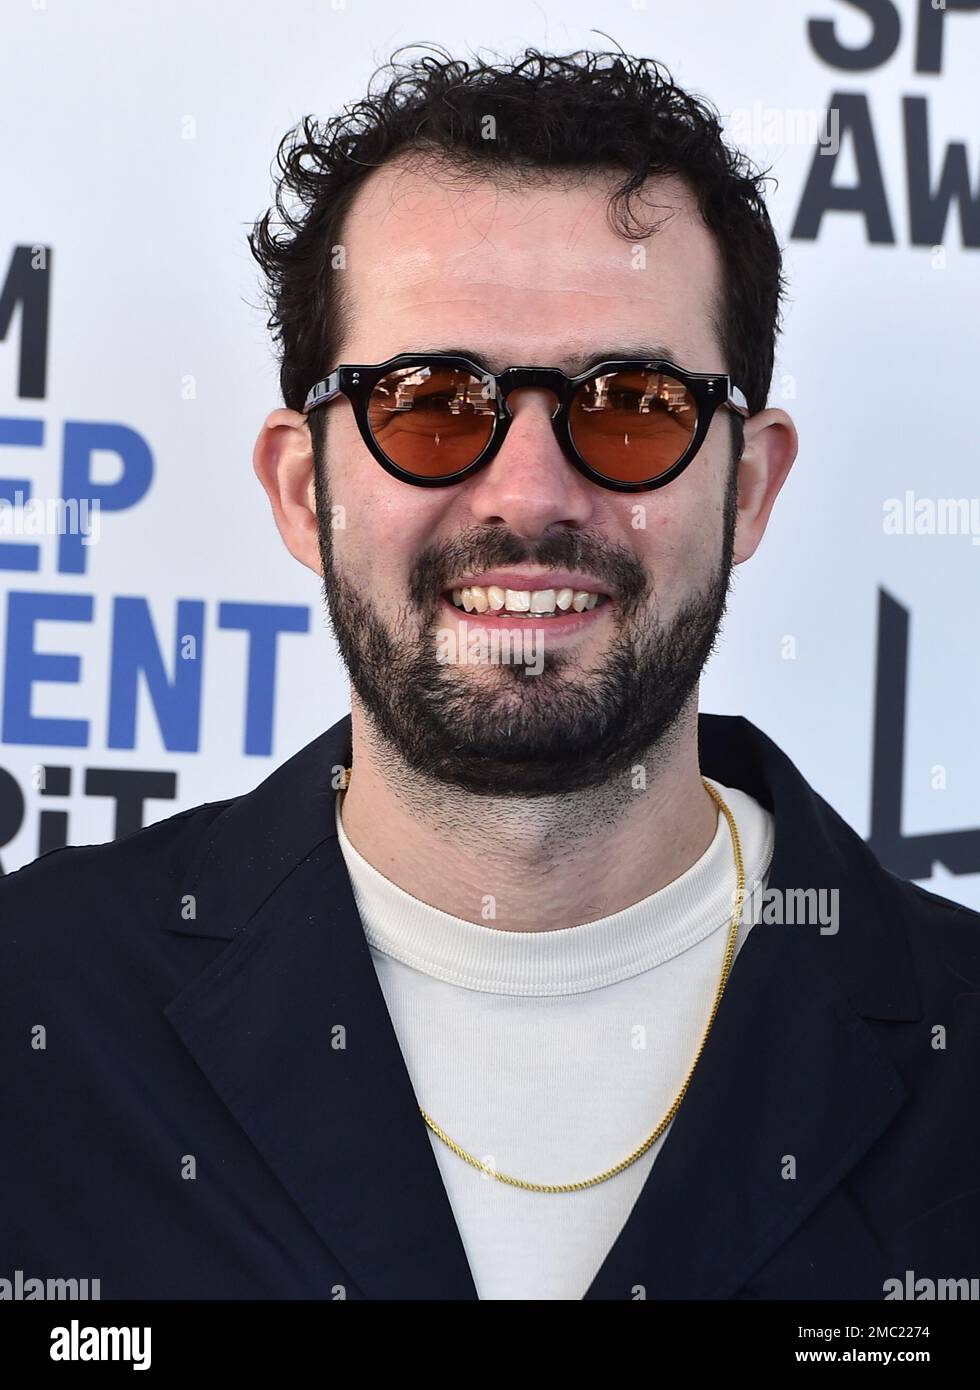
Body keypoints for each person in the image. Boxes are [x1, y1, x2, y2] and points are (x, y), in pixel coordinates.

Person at [2, 45, 978, 1304]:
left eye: (629, 402)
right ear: (306, 493)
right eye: (427, 402)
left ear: (745, 486)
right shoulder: (36, 1012)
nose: (526, 493)